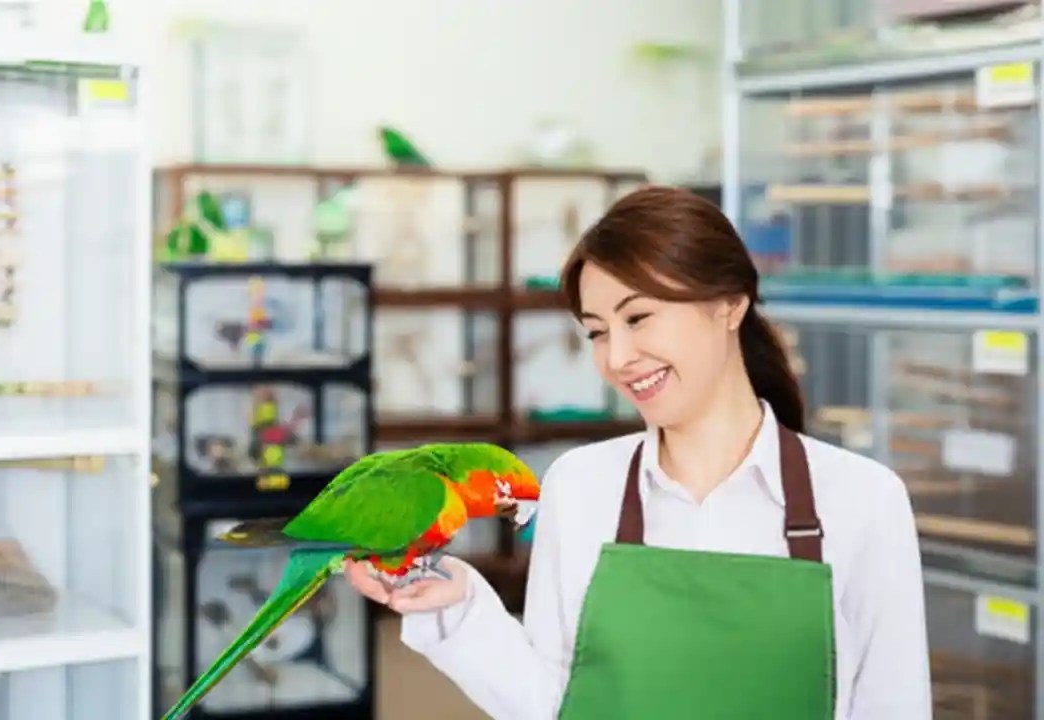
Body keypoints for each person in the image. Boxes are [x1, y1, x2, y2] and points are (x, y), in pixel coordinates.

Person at [345, 186, 932, 719]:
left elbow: (894, 708)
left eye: (639, 317)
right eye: (597, 331)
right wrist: (457, 605)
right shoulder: (580, 484)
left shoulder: (863, 500)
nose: (618, 357)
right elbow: (552, 702)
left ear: (729, 304)